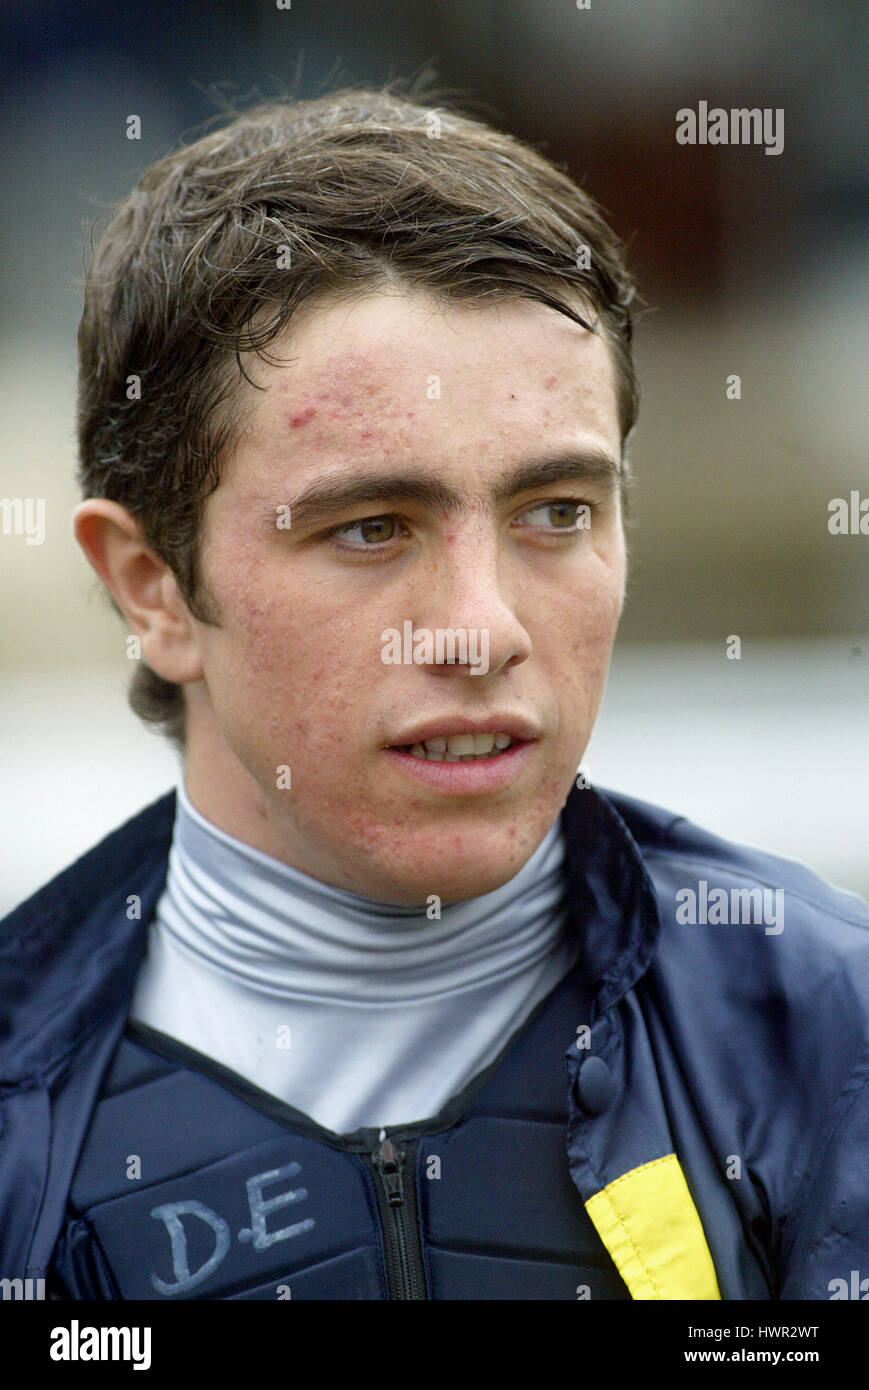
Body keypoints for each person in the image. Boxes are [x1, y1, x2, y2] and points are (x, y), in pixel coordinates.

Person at [1, 85, 867, 1303]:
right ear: (153, 587)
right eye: (370, 528)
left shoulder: (827, 1034)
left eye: (555, 513)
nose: (483, 628)